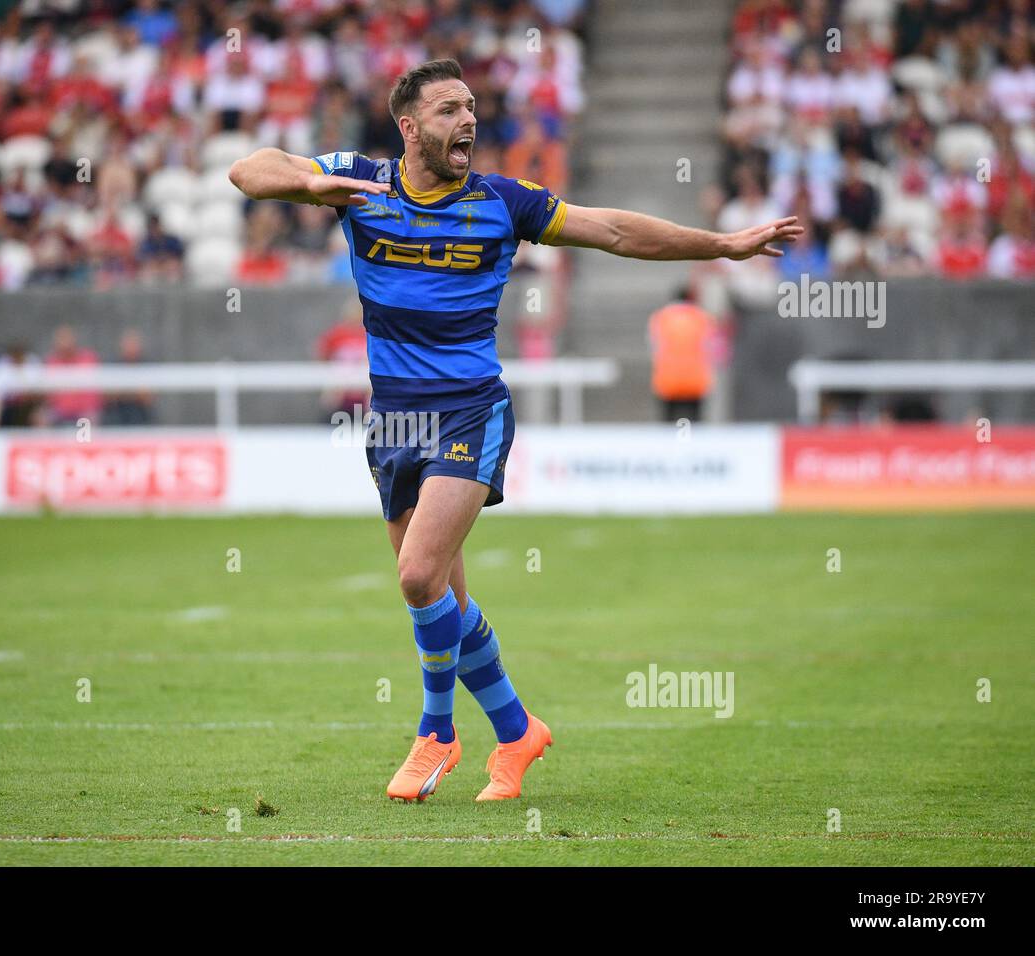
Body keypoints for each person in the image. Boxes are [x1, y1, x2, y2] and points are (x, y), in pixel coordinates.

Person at [229, 58, 802, 804]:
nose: (467, 120)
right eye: (447, 111)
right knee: (443, 602)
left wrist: (720, 246)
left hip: (471, 409)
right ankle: (517, 730)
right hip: (394, 418)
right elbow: (249, 170)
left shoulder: (505, 202)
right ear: (409, 128)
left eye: (471, 107)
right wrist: (308, 183)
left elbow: (614, 232)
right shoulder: (359, 180)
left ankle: (437, 733)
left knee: (415, 576)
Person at [648, 288, 715, 423]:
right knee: (694, 422)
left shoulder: (661, 317)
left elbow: (654, 347)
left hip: (667, 378)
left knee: (668, 422)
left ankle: (672, 441)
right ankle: (688, 439)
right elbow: (710, 347)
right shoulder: (701, 317)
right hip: (696, 378)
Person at [0, 342, 42, 428]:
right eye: (15, 355)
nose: (18, 358)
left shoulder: (33, 363)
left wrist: (27, 395)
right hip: (7, 405)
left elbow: (39, 391)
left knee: (40, 412)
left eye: (20, 355)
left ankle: (42, 439)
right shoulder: (1, 366)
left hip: (28, 405)